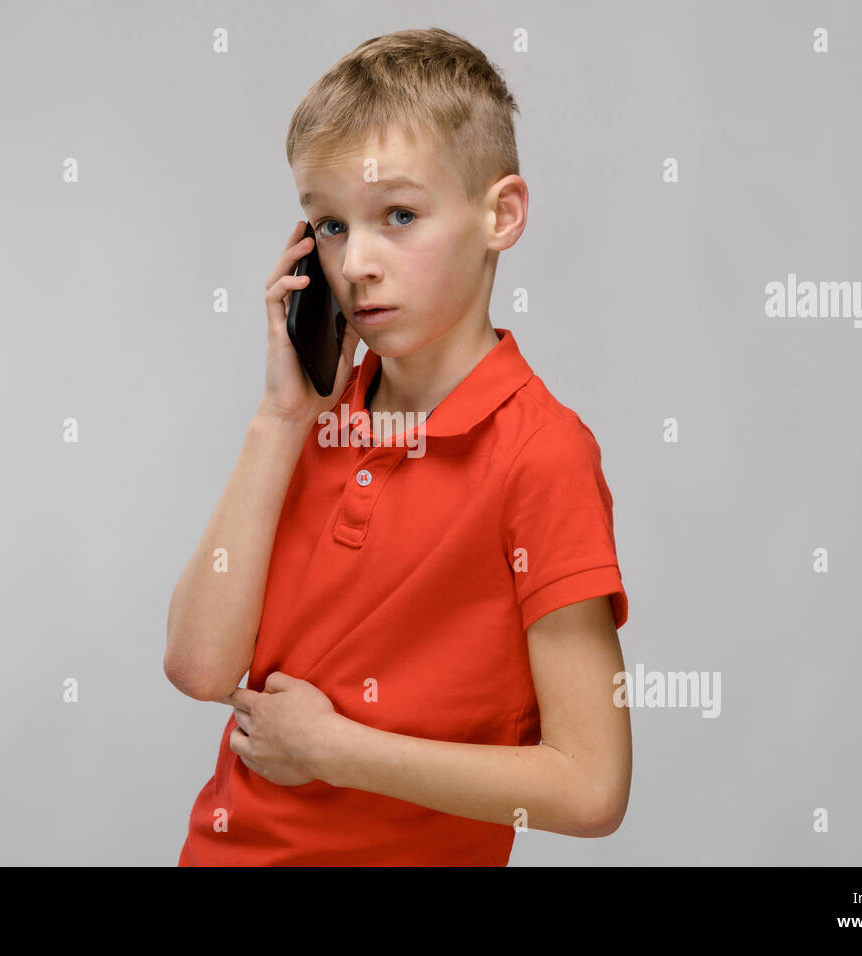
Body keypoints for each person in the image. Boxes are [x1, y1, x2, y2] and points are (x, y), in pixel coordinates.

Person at [166, 27, 631, 866]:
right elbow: (200, 667)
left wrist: (332, 750)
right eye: (332, 225)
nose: (359, 264)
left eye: (400, 217)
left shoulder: (540, 453)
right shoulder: (308, 422)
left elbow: (591, 785)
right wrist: (279, 422)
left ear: (501, 214)